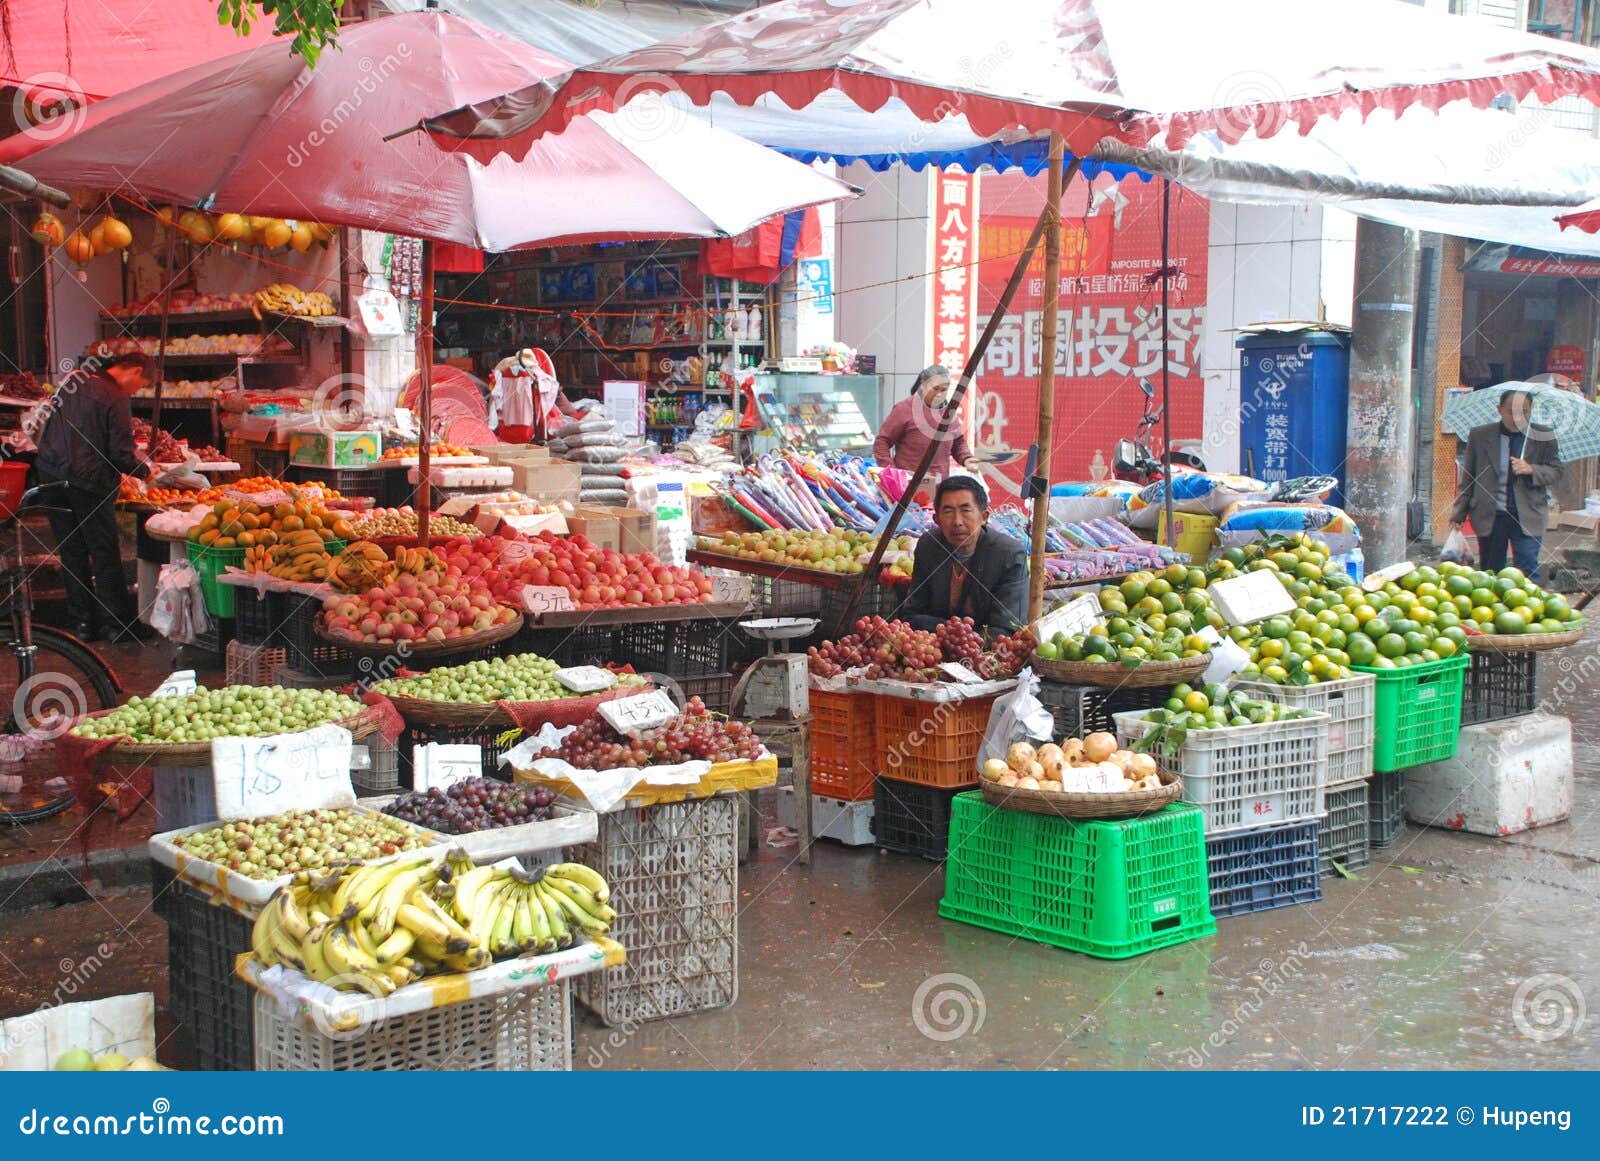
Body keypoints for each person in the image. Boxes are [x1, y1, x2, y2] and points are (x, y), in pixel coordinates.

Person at [32, 353, 159, 642]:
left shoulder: (73, 382)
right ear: (134, 371)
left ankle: (83, 624)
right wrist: (146, 471)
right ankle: (117, 625)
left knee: (72, 551)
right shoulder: (115, 397)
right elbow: (120, 452)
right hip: (88, 484)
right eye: (140, 385)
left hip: (51, 475)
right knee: (103, 553)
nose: (136, 391)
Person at [1449, 389, 1562, 581]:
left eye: (1524, 412)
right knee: (1491, 573)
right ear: (1499, 410)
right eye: (1511, 411)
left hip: (1527, 514)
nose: (1518, 417)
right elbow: (1469, 478)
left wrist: (1532, 469)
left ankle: (1529, 610)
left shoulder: (1543, 436)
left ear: (1531, 411)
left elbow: (1556, 471)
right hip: (1490, 514)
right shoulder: (1480, 435)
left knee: (1527, 569)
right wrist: (1459, 512)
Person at [899, 476, 1029, 636]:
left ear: (984, 517)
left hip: (986, 652)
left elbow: (1008, 628)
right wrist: (956, 633)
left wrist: (950, 632)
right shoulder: (929, 545)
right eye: (948, 512)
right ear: (936, 519)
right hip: (933, 649)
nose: (957, 522)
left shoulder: (1009, 554)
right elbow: (912, 615)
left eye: (966, 510)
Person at [873, 365, 980, 479]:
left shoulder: (949, 412)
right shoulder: (904, 409)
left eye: (944, 390)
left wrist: (967, 459)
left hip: (941, 484)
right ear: (923, 384)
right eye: (935, 388)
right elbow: (882, 442)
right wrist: (892, 473)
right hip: (908, 483)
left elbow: (958, 443)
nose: (939, 394)